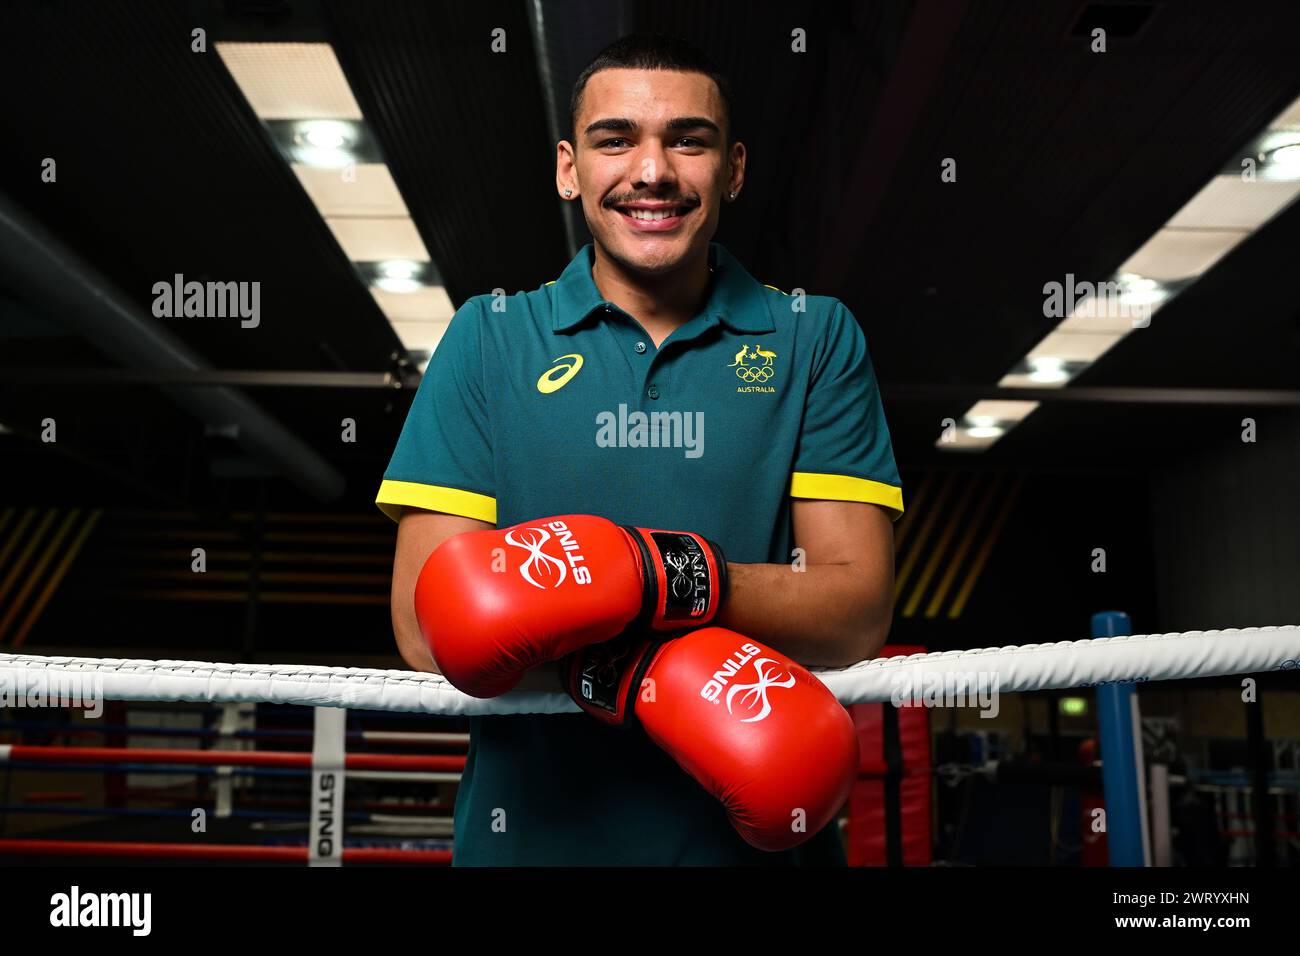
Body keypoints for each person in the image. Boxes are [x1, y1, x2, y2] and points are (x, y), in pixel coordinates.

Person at [377, 33, 903, 865]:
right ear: (568, 168)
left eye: (687, 140)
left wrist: (658, 574)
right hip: (532, 844)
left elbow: (856, 605)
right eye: (615, 138)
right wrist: (630, 674)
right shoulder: (490, 336)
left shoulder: (815, 336)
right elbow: (424, 622)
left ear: (732, 170)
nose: (651, 171)